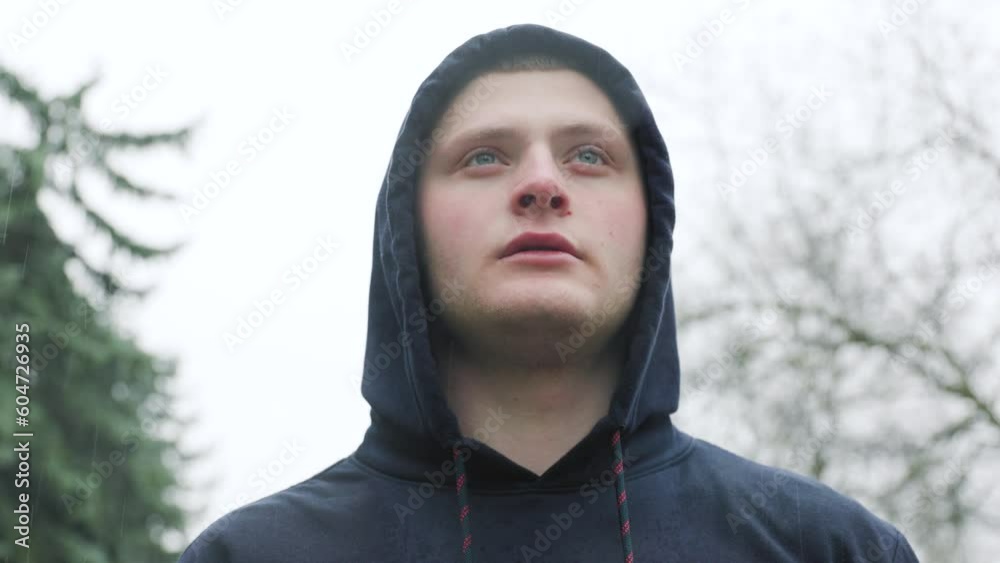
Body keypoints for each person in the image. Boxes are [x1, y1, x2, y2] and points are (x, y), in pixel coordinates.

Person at [178, 23, 919, 562]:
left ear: (650, 221)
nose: (541, 184)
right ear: (409, 226)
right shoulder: (253, 554)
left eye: (589, 155)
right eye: (484, 156)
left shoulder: (829, 548)